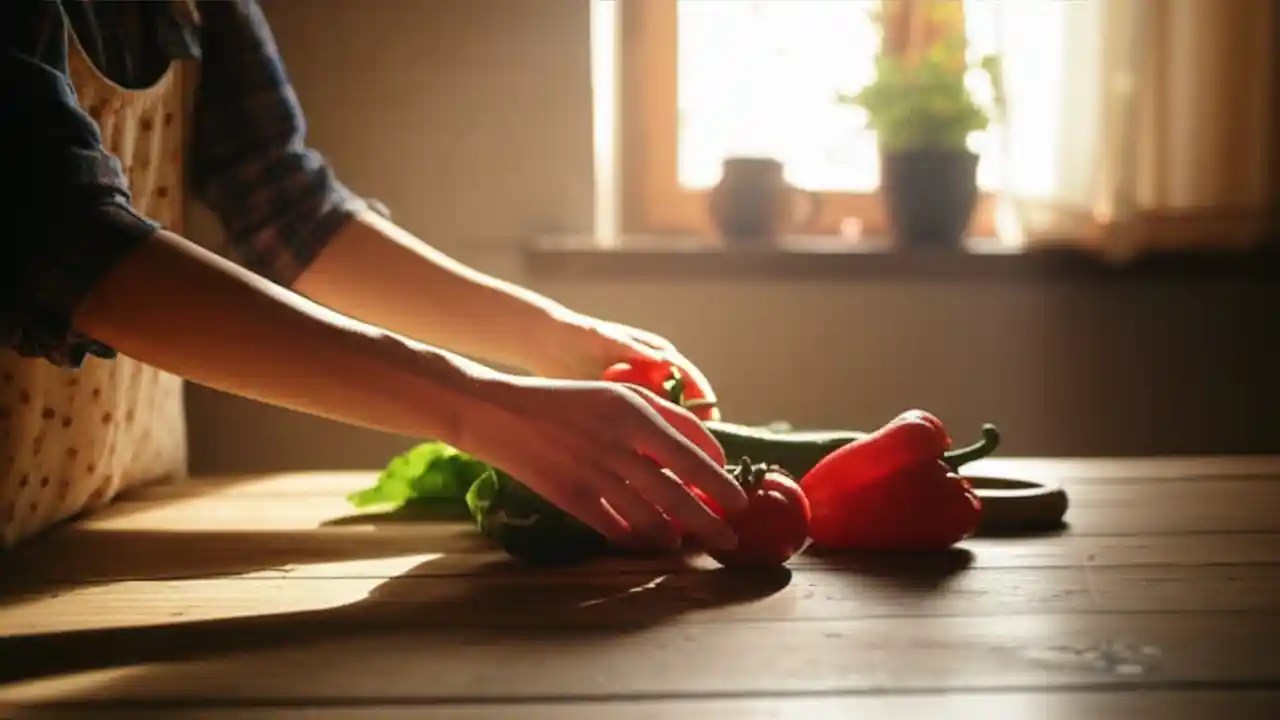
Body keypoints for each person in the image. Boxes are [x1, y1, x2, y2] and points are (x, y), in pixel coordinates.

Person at [0, 0, 746, 551]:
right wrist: (484, 406)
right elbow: (60, 237)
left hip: (118, 509)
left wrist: (551, 338)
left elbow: (286, 206)